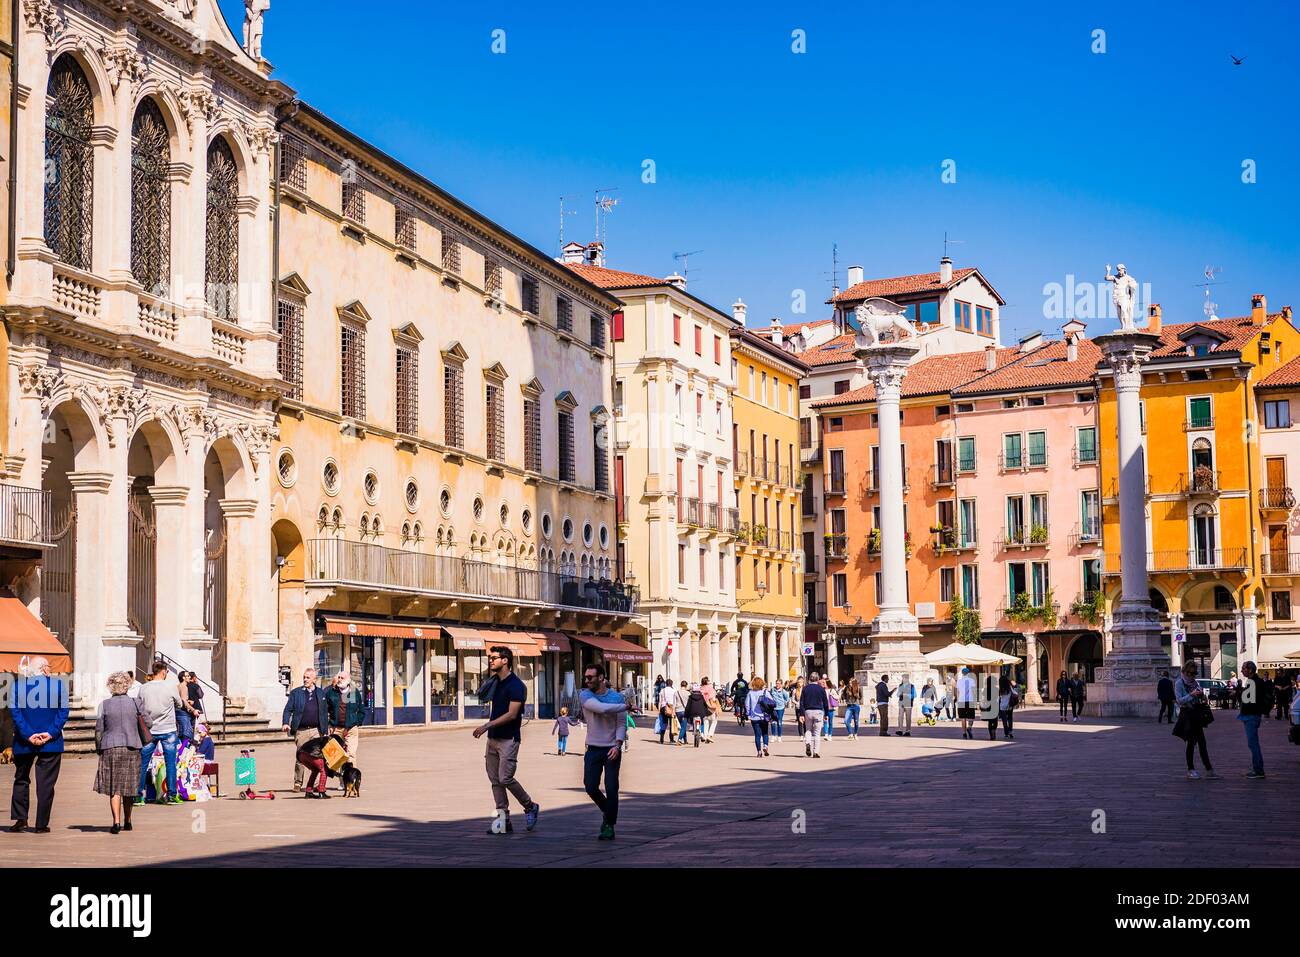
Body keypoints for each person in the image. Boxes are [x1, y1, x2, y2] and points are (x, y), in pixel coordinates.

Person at [472, 646, 539, 833]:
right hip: (493, 739)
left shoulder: (517, 685)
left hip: (509, 739)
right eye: (490, 658)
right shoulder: (495, 682)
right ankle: (503, 821)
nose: (490, 660)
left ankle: (530, 805)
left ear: (505, 660)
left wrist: (486, 726)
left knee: (505, 778)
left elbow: (511, 715)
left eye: (494, 658)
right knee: (495, 781)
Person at [7, 657, 68, 834]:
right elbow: (63, 712)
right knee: (46, 784)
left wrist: (28, 734)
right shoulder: (58, 686)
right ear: (43, 669)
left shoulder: (18, 686)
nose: (50, 669)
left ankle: (20, 819)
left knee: (21, 779)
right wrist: (50, 733)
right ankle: (41, 824)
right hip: (51, 742)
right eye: (49, 666)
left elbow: (15, 713)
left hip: (24, 742)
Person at [579, 663, 628, 840]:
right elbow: (601, 709)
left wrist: (618, 745)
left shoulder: (616, 697)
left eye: (590, 677)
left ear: (601, 678)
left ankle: (609, 825)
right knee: (590, 787)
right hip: (592, 748)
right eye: (585, 677)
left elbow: (621, 724)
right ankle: (608, 812)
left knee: (612, 787)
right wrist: (626, 707)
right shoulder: (585, 695)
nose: (587, 680)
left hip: (611, 749)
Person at [95, 671, 144, 834]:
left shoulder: (104, 705)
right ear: (127, 685)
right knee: (129, 786)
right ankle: (128, 820)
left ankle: (116, 822)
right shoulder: (136, 703)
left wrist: (98, 747)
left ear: (111, 686)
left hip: (111, 747)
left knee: (114, 786)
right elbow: (148, 723)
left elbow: (99, 729)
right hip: (132, 746)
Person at [137, 661, 186, 805]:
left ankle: (138, 795)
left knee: (143, 763)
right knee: (170, 763)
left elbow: (139, 706)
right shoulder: (170, 687)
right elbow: (179, 704)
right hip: (168, 729)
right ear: (164, 672)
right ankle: (171, 795)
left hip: (149, 730)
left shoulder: (143, 688)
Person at [281, 667, 329, 792]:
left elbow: (324, 712)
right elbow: (288, 709)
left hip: (316, 731)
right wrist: (286, 722)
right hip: (301, 731)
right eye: (304, 677)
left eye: (308, 677)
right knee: (301, 756)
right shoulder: (296, 693)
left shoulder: (321, 693)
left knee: (318, 757)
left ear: (314, 679)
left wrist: (325, 729)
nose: (305, 679)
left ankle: (317, 784)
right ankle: (298, 783)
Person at [1173, 661, 1218, 780]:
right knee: (1191, 743)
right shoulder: (1179, 683)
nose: (1193, 676)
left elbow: (1200, 698)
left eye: (1194, 673)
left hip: (1196, 714)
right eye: (1191, 673)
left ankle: (1209, 769)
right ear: (1185, 672)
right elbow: (1179, 700)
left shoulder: (1195, 683)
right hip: (1187, 715)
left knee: (1202, 743)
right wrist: (1192, 695)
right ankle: (1190, 769)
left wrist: (1202, 696)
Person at [325, 670, 365, 784]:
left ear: (348, 680)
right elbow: (324, 709)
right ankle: (342, 781)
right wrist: (329, 724)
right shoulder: (332, 692)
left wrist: (356, 723)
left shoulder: (353, 692)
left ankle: (352, 780)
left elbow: (361, 711)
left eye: (342, 678)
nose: (339, 680)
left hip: (351, 729)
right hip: (336, 728)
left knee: (351, 754)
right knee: (337, 756)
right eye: (339, 677)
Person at [1237, 660, 1273, 779]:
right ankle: (1257, 768)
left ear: (1250, 670)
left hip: (1251, 716)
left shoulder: (1253, 682)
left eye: (1244, 668)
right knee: (1253, 743)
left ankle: (1258, 770)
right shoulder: (1255, 681)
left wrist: (1240, 694)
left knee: (1253, 744)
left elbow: (1248, 700)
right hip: (1253, 715)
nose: (1242, 670)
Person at [800, 672, 828, 758]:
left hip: (808, 711)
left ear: (810, 678)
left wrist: (801, 714)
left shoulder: (805, 688)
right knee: (817, 733)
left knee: (808, 730)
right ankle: (815, 752)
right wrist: (826, 714)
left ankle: (808, 743)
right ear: (818, 679)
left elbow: (801, 702)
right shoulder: (821, 689)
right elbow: (825, 702)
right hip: (818, 711)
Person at [746, 677, 774, 757]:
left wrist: (748, 714)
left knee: (757, 735)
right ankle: (765, 746)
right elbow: (772, 702)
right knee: (765, 733)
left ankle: (759, 752)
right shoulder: (765, 692)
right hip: (764, 716)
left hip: (754, 717)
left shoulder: (750, 693)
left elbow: (747, 704)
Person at [956, 667, 977, 740]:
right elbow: (974, 691)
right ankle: (969, 727)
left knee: (963, 718)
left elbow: (958, 692)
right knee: (971, 717)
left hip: (961, 701)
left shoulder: (959, 681)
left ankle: (964, 733)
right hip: (970, 700)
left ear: (962, 673)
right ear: (968, 673)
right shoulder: (972, 680)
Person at [656, 679, 676, 745]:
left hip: (663, 708)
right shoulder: (674, 691)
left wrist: (659, 710)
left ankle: (661, 739)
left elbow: (660, 701)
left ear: (666, 684)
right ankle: (671, 739)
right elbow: (675, 701)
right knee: (671, 724)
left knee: (664, 723)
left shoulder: (662, 690)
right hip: (671, 708)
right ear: (671, 684)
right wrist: (674, 710)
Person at [675, 680, 691, 745]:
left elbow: (674, 704)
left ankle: (685, 740)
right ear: (686, 686)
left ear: (680, 685)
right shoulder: (688, 693)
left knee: (682, 726)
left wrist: (673, 712)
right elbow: (690, 704)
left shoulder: (676, 693)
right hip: (685, 711)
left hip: (678, 711)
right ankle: (679, 739)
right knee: (683, 726)